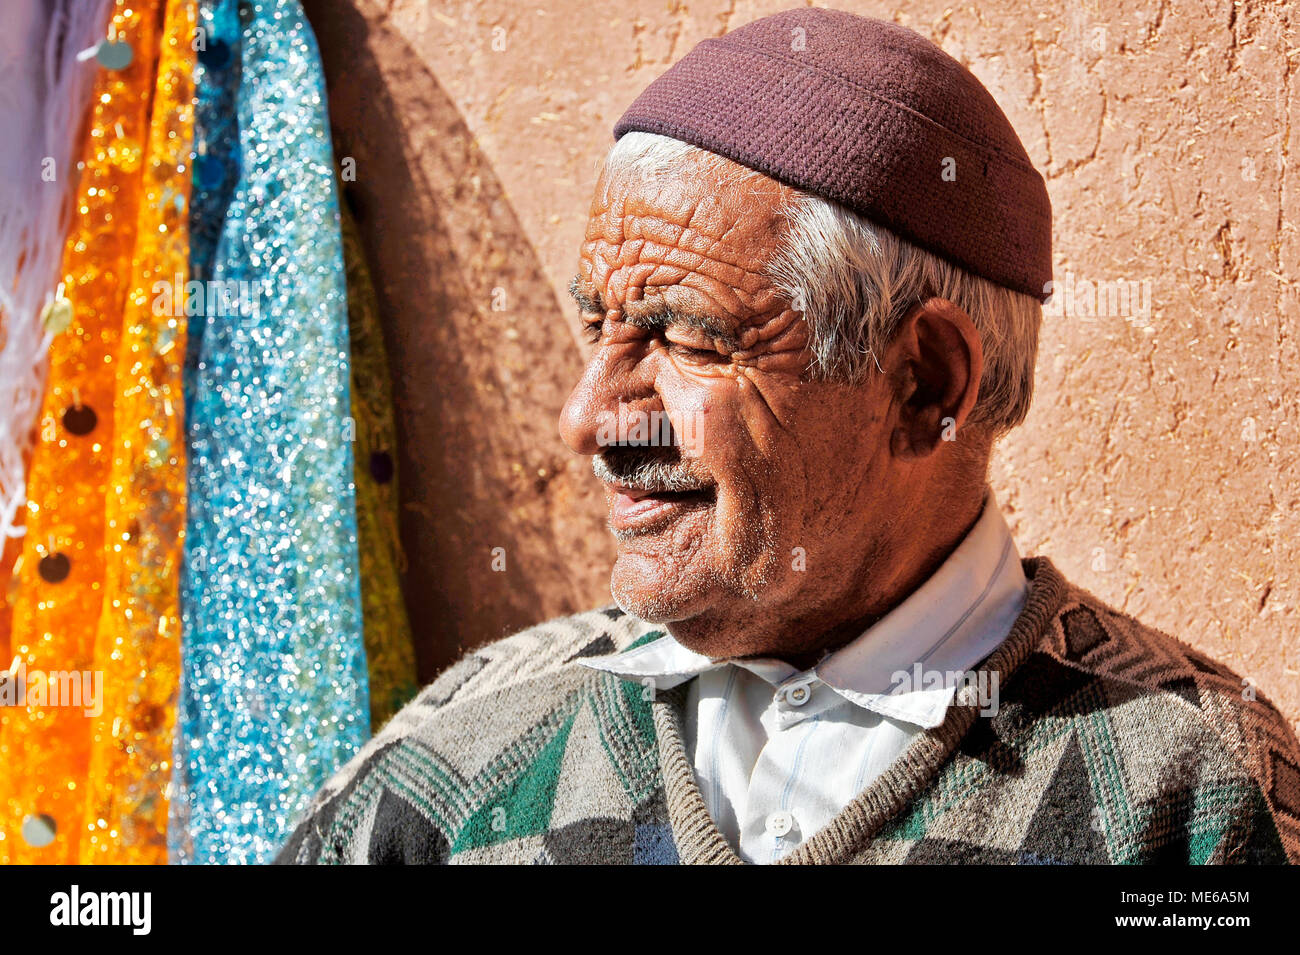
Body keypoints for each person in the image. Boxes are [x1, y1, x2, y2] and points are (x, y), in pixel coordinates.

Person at [276, 7, 1300, 865]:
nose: (587, 418)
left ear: (923, 384)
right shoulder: (469, 752)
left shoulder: (1190, 789)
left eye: (685, 337)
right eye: (599, 326)